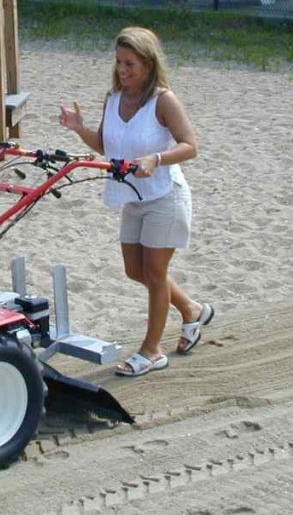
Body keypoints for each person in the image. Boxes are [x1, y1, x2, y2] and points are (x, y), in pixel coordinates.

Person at [58, 27, 213, 377]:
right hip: (132, 196)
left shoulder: (163, 100)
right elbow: (108, 146)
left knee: (155, 274)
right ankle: (191, 309)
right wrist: (79, 128)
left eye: (130, 63)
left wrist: (156, 159)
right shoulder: (113, 98)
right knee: (135, 270)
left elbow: (190, 145)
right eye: (119, 62)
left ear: (148, 63)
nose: (122, 70)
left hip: (165, 196)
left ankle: (151, 351)